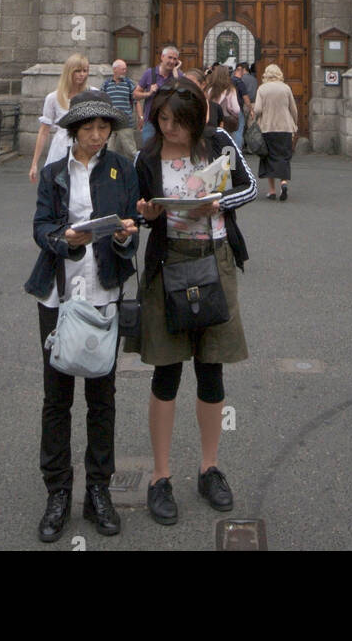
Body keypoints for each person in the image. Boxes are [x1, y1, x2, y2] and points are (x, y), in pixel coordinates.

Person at [129, 82, 256, 524]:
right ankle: (160, 477)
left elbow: (249, 186)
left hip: (214, 260)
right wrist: (144, 215)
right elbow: (133, 211)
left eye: (178, 122)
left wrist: (218, 203)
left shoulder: (218, 142)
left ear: (197, 119)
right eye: (162, 121)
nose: (170, 130)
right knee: (167, 371)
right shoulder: (145, 157)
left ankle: (209, 468)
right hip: (169, 263)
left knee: (210, 368)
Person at [24, 91, 139, 541]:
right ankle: (56, 492)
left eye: (103, 128)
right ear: (74, 131)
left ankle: (98, 490)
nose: (96, 135)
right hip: (57, 295)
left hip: (102, 293)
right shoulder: (54, 174)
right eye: (88, 128)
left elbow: (129, 225)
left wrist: (126, 236)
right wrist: (64, 239)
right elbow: (40, 227)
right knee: (57, 397)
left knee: (102, 396)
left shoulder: (121, 169)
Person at [29, 54, 95, 184]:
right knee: (59, 186)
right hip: (61, 146)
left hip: (86, 144)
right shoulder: (53, 98)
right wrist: (34, 163)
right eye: (77, 71)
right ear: (69, 72)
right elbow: (43, 131)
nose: (82, 74)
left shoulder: (92, 94)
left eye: (85, 71)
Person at [252, 63, 298, 200]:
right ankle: (283, 183)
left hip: (267, 127)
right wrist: (294, 124)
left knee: (268, 158)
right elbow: (293, 109)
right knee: (283, 157)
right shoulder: (286, 88)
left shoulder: (262, 89)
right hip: (284, 127)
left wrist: (255, 116)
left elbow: (258, 109)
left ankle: (272, 191)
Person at [133, 45, 183, 147]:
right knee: (149, 152)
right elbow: (135, 95)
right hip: (151, 123)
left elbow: (183, 96)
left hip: (171, 124)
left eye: (175, 59)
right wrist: (148, 93)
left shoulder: (178, 75)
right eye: (169, 57)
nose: (172, 61)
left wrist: (176, 74)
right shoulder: (149, 73)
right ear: (162, 57)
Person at [101, 59, 138, 160]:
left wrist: (141, 117)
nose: (125, 71)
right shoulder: (106, 84)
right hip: (110, 123)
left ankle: (136, 170)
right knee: (109, 150)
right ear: (115, 70)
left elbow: (136, 100)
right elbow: (101, 102)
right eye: (122, 69)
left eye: (125, 69)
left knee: (130, 151)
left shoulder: (129, 83)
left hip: (126, 123)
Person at [204, 64, 240, 138]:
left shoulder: (209, 89)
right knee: (226, 146)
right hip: (225, 122)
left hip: (212, 121)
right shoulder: (230, 89)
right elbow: (236, 109)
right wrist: (230, 109)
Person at [232, 61, 256, 150]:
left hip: (231, 108)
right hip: (242, 106)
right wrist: (251, 109)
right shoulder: (244, 81)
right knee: (242, 129)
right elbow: (246, 97)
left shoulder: (230, 80)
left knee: (235, 129)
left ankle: (233, 148)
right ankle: (243, 148)